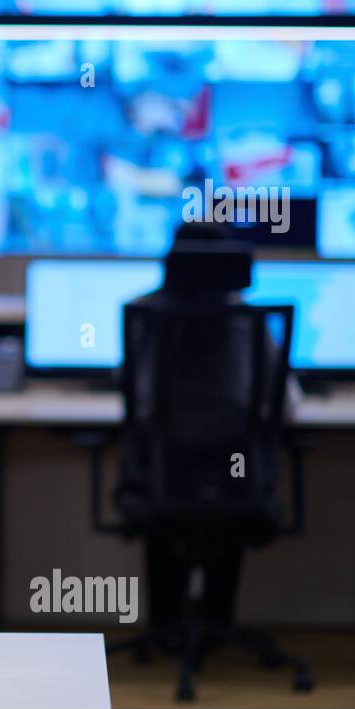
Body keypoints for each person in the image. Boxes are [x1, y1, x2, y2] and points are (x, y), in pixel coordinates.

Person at [124, 222, 285, 639]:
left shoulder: (145, 313)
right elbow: (282, 400)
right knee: (232, 485)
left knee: (163, 494)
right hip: (236, 478)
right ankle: (217, 624)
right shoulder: (246, 318)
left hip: (161, 475)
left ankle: (166, 627)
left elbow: (135, 398)